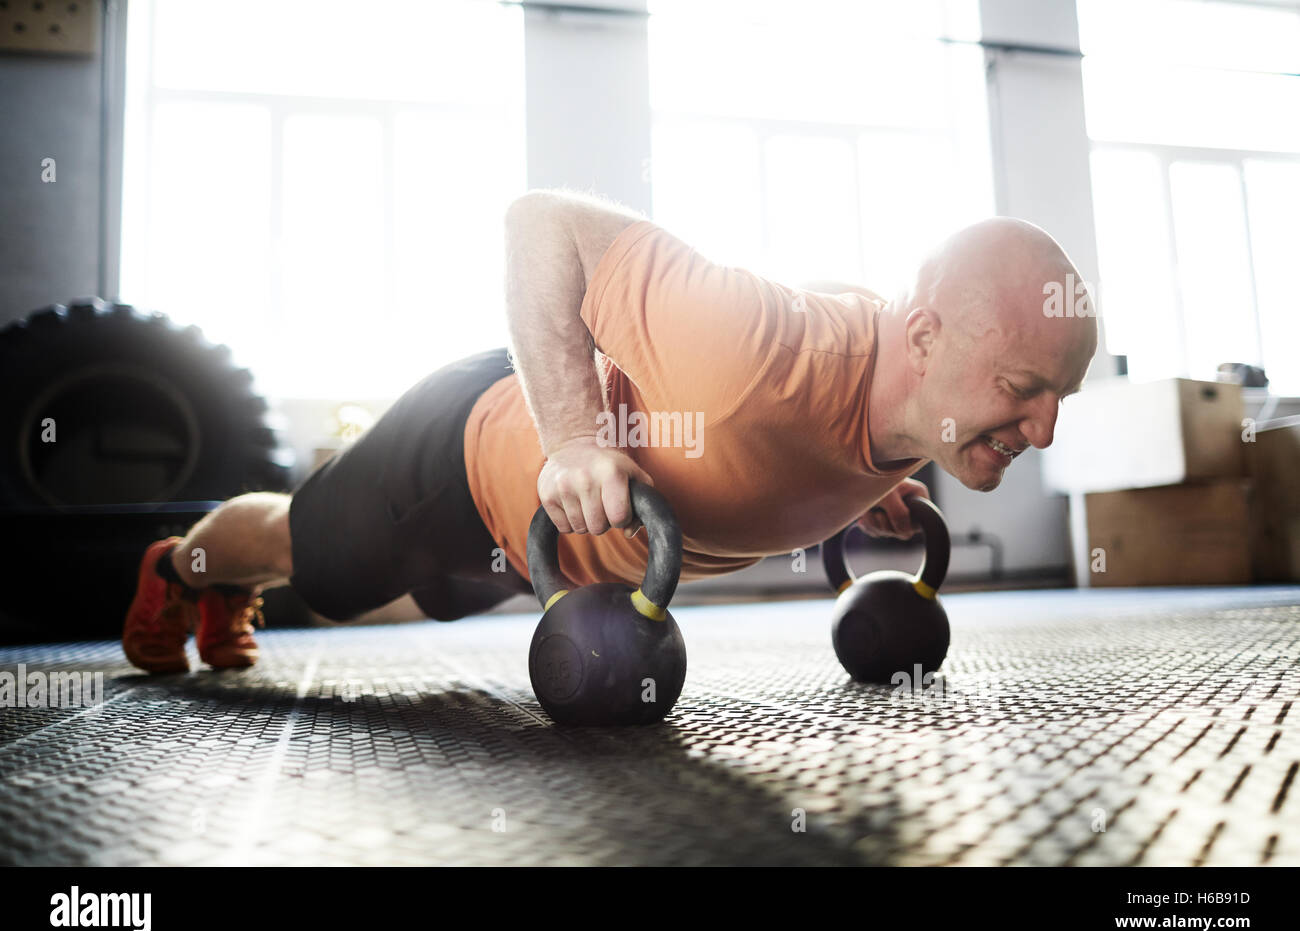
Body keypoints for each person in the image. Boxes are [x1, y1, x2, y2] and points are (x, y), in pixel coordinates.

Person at [122, 189, 1097, 673]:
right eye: (1024, 387)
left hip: (540, 559)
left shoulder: (918, 396)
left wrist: (868, 474)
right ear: (927, 339)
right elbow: (541, 219)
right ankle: (182, 569)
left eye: (1060, 393)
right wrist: (576, 437)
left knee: (431, 597)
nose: (1045, 429)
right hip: (463, 462)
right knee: (316, 565)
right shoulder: (745, 341)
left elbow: (845, 366)